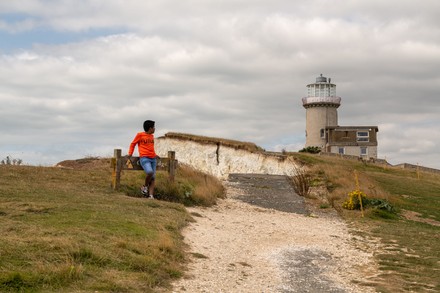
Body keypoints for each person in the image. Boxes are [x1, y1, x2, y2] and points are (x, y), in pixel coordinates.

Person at [128, 120, 158, 199]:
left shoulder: (152, 136)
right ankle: (144, 187)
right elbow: (133, 144)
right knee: (150, 172)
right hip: (144, 158)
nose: (155, 129)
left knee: (153, 177)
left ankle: (151, 196)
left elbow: (150, 147)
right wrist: (130, 154)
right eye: (154, 127)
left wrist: (155, 155)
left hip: (153, 159)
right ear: (150, 128)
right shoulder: (140, 135)